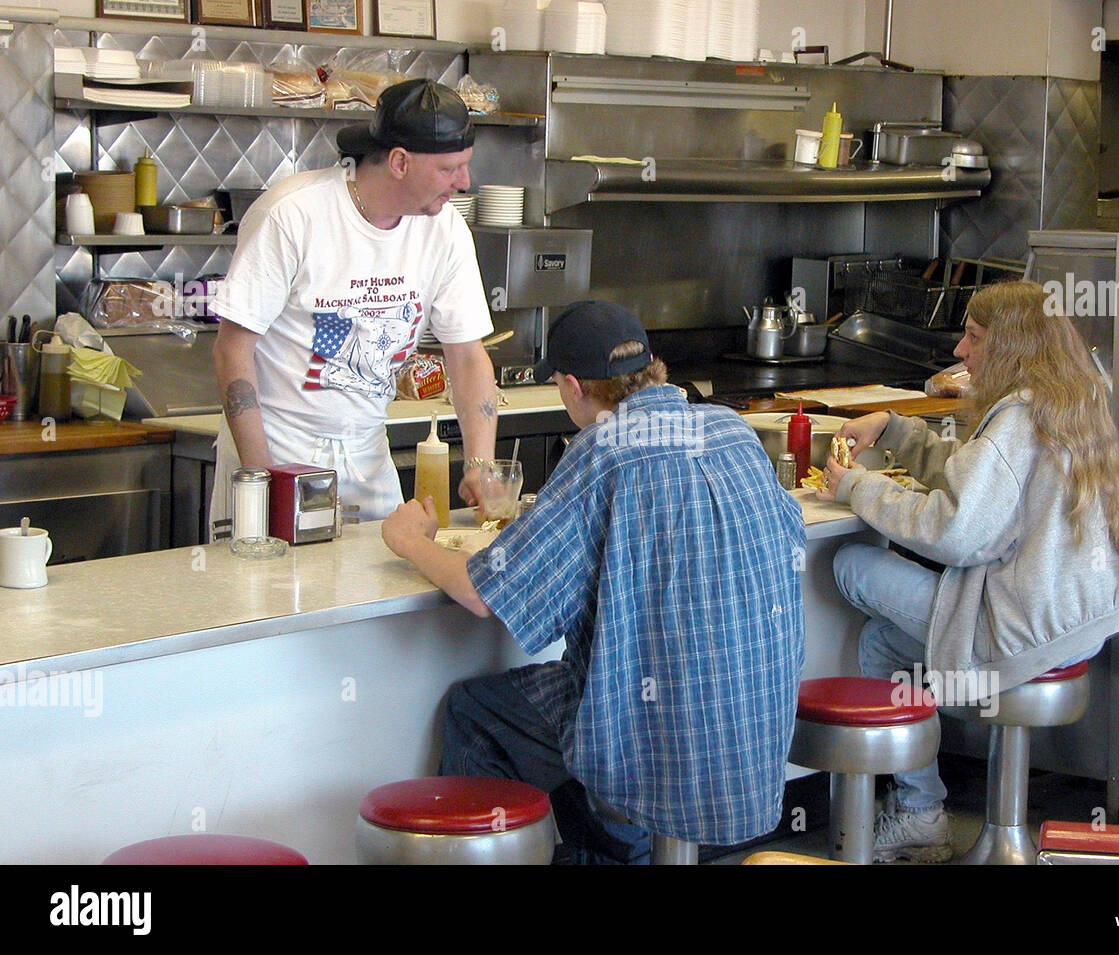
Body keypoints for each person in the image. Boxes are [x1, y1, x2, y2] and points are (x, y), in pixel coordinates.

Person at [381, 300, 807, 864]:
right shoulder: (733, 430)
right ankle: (614, 847)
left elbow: (487, 596)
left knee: (478, 710)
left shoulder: (602, 452)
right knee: (589, 695)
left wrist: (411, 540)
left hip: (660, 741)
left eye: (558, 385)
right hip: (755, 730)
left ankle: (616, 844)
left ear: (576, 385)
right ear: (651, 364)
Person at [817, 279, 1119, 863]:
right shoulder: (1071, 399)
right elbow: (980, 480)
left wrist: (856, 488)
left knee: (851, 566)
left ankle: (921, 812)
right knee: (882, 641)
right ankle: (923, 814)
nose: (960, 351)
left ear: (1011, 345)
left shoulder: (1017, 420)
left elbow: (956, 533)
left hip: (1021, 631)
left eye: (973, 336)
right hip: (1076, 623)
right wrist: (894, 429)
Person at [209, 79, 499, 532]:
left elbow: (467, 355)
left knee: (376, 595)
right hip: (276, 451)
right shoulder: (293, 214)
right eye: (449, 169)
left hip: (367, 456)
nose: (463, 183)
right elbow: (233, 348)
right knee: (268, 596)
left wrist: (480, 461)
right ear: (400, 162)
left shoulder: (445, 231)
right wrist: (261, 477)